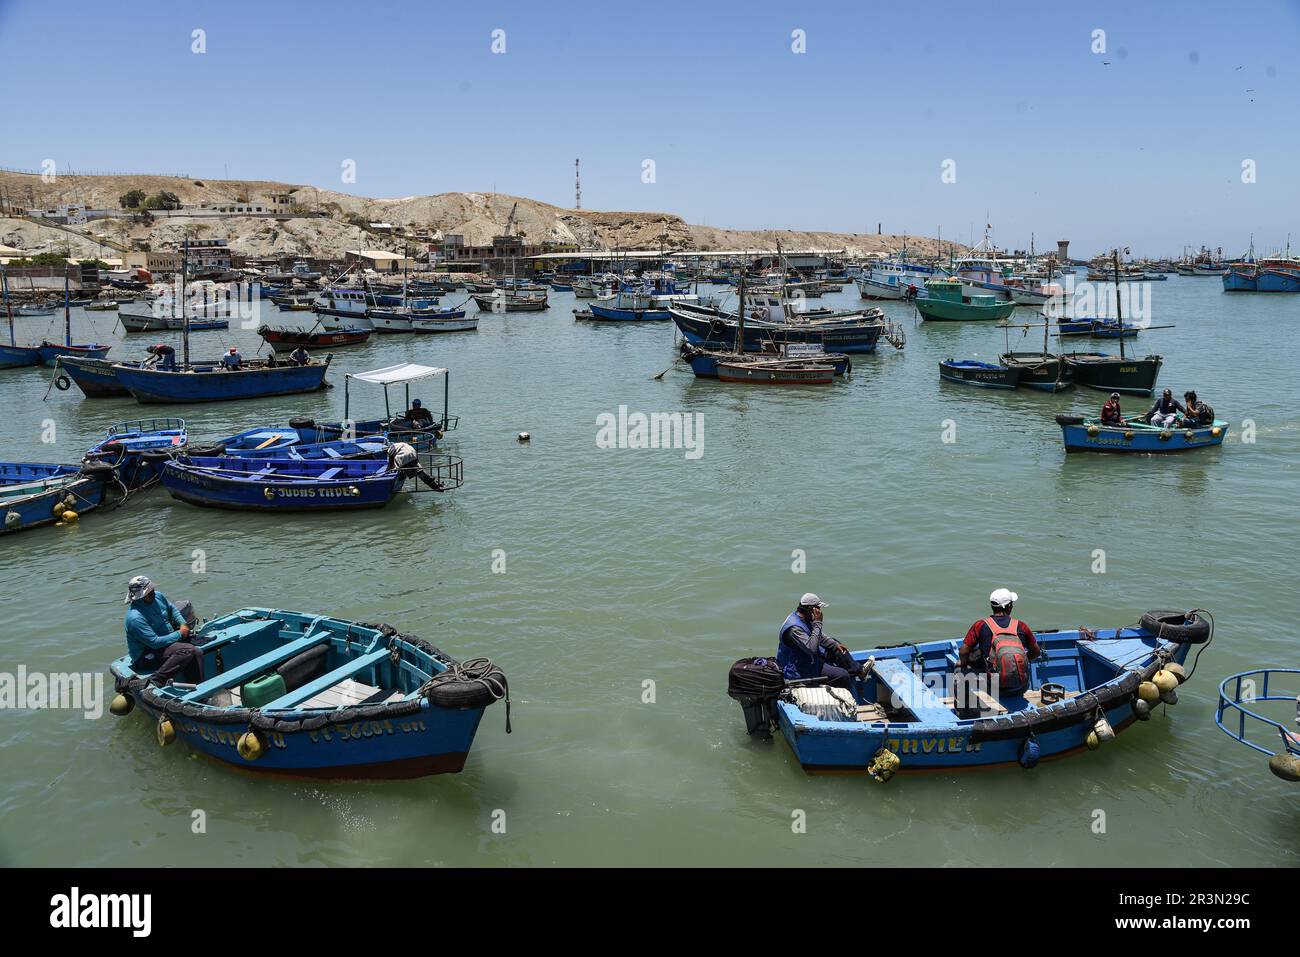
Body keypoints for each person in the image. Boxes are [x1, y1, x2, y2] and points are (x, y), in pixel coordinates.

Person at [959, 588, 1040, 697]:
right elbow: (1036, 652)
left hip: (993, 687)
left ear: (992, 606)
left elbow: (963, 651)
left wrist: (963, 665)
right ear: (1009, 606)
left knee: (961, 668)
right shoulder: (1021, 626)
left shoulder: (980, 625)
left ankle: (966, 708)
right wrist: (1019, 661)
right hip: (1021, 687)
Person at [123, 576, 203, 686]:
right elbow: (155, 643)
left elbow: (172, 609)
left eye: (152, 590)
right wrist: (180, 634)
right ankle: (156, 680)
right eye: (149, 592)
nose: (153, 593)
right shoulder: (135, 618)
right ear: (139, 597)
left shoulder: (158, 596)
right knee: (187, 650)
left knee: (197, 652)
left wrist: (183, 624)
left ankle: (197, 687)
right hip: (146, 654)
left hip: (165, 643)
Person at [776, 593, 867, 687]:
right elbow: (811, 649)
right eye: (818, 608)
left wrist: (835, 644)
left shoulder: (805, 617)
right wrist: (818, 623)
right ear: (811, 609)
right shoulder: (794, 629)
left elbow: (819, 636)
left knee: (836, 646)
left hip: (809, 659)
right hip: (799, 669)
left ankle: (859, 671)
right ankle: (845, 692)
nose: (820, 611)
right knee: (842, 675)